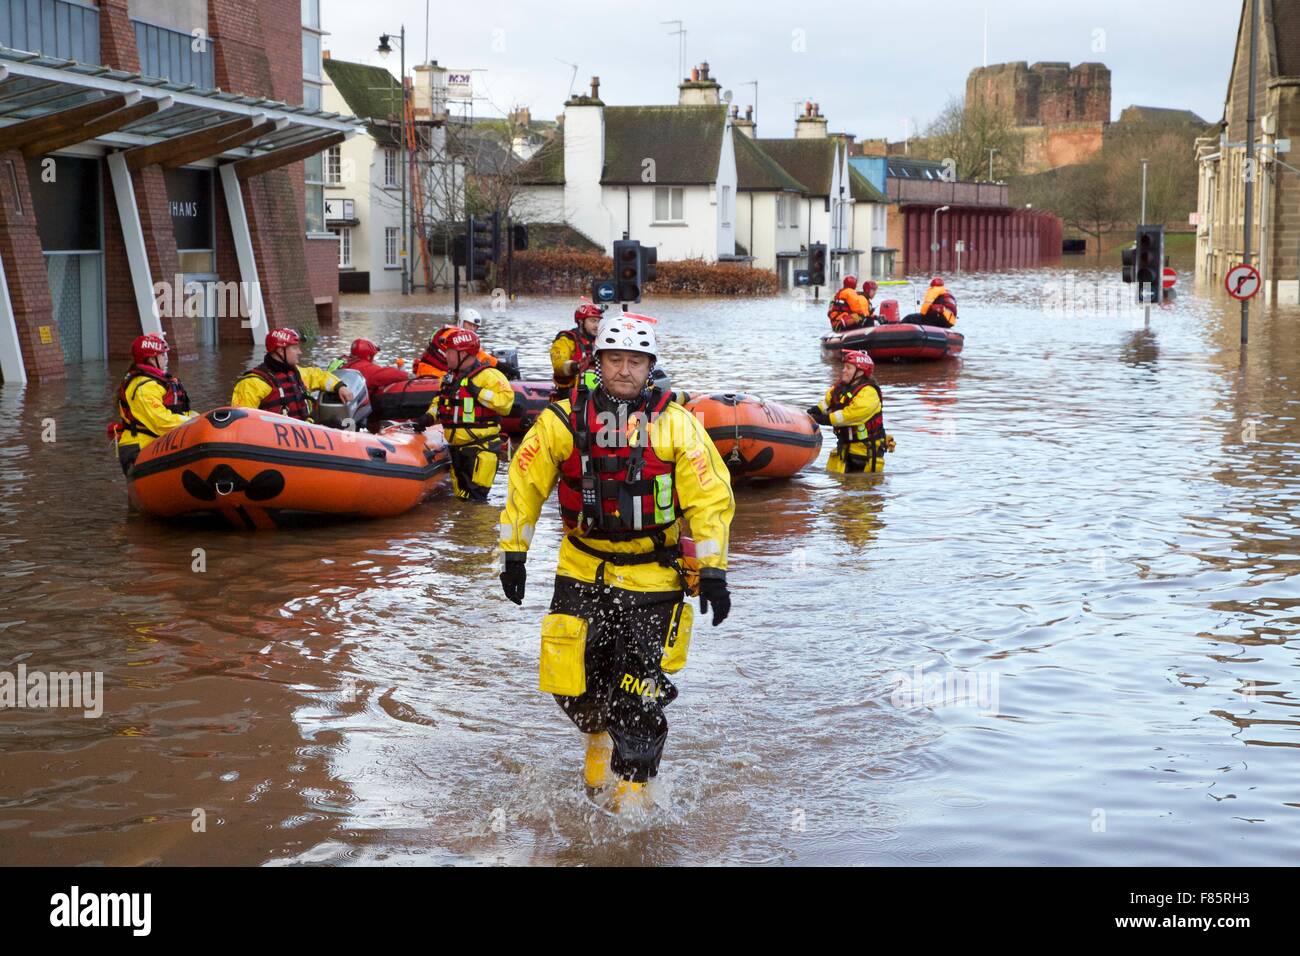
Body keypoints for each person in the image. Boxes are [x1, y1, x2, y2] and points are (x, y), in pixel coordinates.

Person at [497, 313, 735, 813]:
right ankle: (596, 734)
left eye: (635, 361)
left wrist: (713, 572)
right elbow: (524, 486)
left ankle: (633, 792)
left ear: (650, 367)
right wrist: (514, 554)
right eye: (615, 359)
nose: (624, 370)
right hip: (584, 568)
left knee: (639, 686)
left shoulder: (676, 424)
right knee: (571, 680)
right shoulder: (561, 421)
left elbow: (710, 499)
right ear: (597, 361)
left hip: (654, 574)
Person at [416, 327, 514, 501]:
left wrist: (478, 392)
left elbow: (506, 403)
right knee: (462, 501)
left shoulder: (489, 376)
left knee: (476, 501)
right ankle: (463, 529)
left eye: (450, 352)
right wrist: (429, 417)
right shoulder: (450, 379)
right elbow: (440, 403)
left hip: (481, 450)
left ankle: (480, 528)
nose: (446, 356)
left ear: (464, 353)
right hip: (456, 451)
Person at [109, 333, 196, 475]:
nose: (165, 359)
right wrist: (194, 424)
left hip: (154, 444)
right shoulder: (144, 387)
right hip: (139, 447)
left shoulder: (155, 382)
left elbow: (179, 414)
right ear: (151, 359)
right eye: (162, 355)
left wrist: (201, 420)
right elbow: (160, 421)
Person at [231, 328, 353, 421]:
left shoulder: (297, 373)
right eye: (295, 348)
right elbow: (241, 421)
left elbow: (319, 376)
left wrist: (339, 386)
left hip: (305, 431)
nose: (299, 352)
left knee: (336, 422)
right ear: (280, 351)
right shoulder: (252, 383)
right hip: (274, 440)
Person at [808, 349, 894, 473]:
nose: (844, 370)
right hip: (846, 447)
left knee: (863, 488)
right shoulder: (841, 388)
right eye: (844, 367)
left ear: (859, 372)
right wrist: (816, 410)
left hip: (865, 452)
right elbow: (829, 402)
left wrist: (825, 420)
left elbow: (851, 415)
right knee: (839, 484)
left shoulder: (869, 393)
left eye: (848, 368)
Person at [550, 300, 603, 399]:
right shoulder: (566, 340)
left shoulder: (602, 341)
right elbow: (558, 365)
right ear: (581, 321)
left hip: (596, 394)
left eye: (598, 321)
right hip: (569, 395)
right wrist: (577, 365)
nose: (597, 326)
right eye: (592, 321)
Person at [413, 323, 501, 378]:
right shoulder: (454, 336)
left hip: (432, 372)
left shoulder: (453, 334)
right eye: (469, 325)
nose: (472, 328)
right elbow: (478, 355)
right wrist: (499, 365)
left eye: (475, 326)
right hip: (430, 374)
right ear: (462, 322)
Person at [342, 338, 409, 393]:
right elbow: (385, 374)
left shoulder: (343, 362)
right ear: (368, 356)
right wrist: (408, 375)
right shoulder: (363, 367)